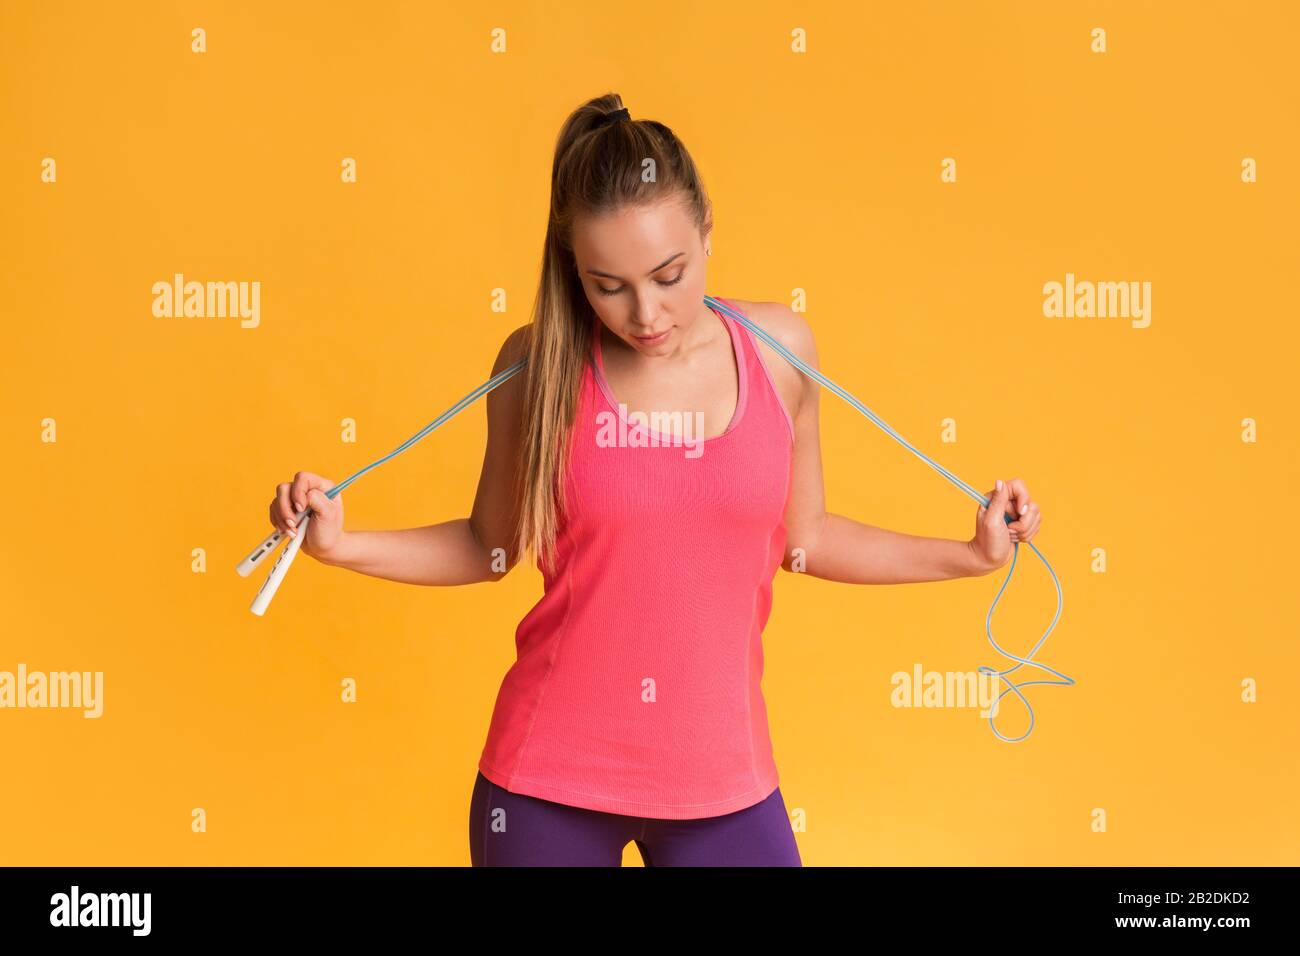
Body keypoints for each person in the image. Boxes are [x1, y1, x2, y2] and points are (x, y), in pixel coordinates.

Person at [266, 93, 1043, 866]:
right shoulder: (535, 366)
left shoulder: (781, 352)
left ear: (708, 228)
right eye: (608, 286)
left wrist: (969, 556)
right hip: (544, 787)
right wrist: (341, 545)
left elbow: (806, 541)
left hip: (725, 783)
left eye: (669, 275)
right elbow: (489, 547)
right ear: (574, 270)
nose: (646, 313)